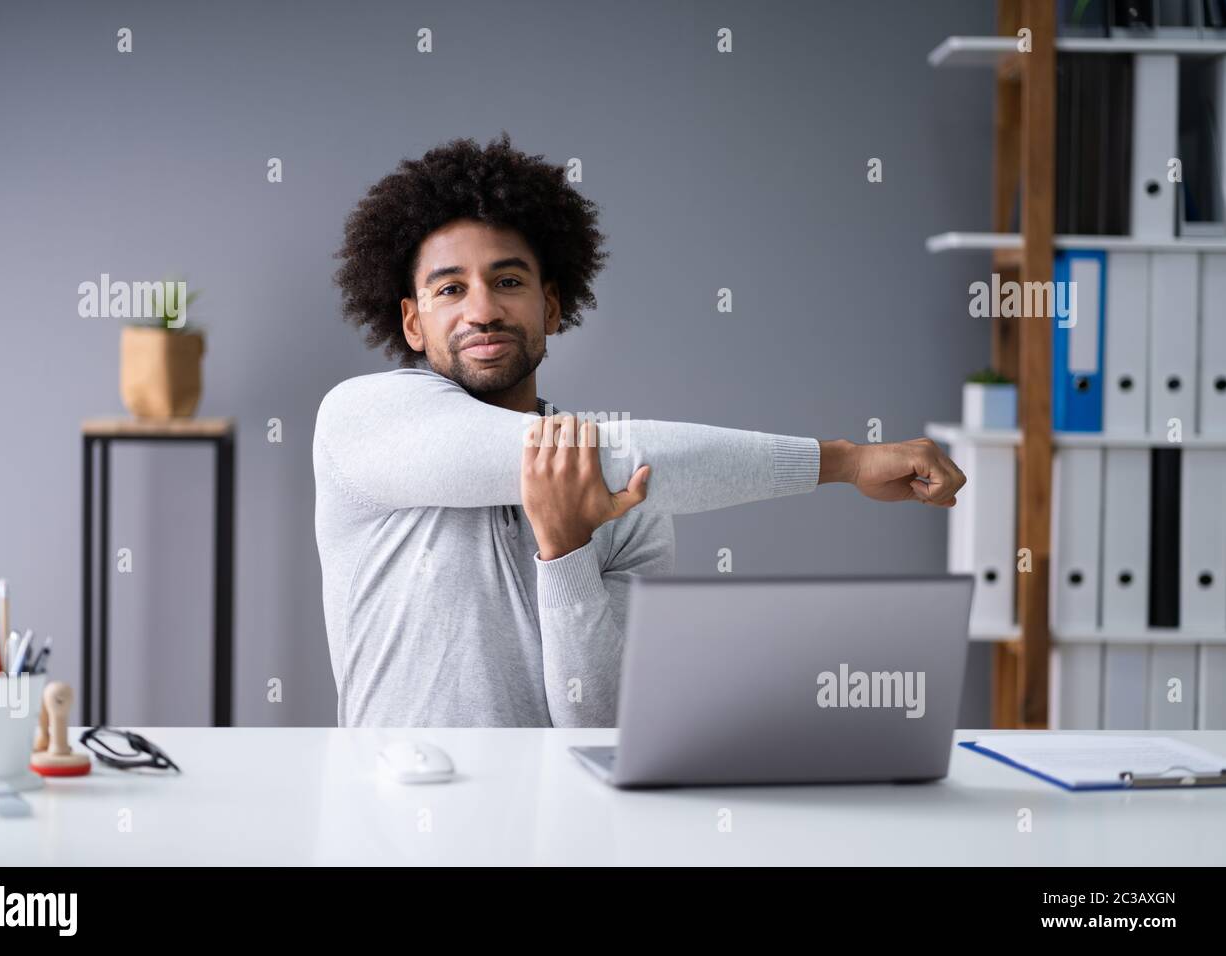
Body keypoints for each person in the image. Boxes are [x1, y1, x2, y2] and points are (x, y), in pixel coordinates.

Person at [315, 132, 965, 728]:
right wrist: (846, 462)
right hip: (391, 828)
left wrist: (567, 553)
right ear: (411, 322)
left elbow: (599, 727)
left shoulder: (635, 500)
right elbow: (607, 453)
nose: (482, 310)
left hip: (555, 837)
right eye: (450, 289)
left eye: (507, 281)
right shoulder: (363, 418)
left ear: (550, 305)